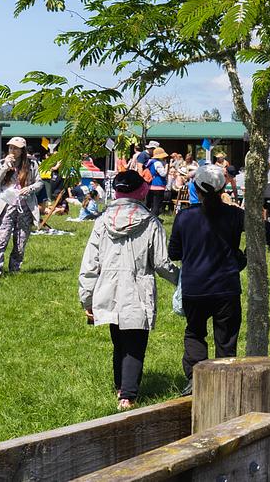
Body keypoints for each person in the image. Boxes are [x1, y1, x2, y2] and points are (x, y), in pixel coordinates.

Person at [78, 170, 178, 410]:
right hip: (138, 290)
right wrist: (183, 279)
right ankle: (128, 395)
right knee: (135, 343)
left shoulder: (102, 221)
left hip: (108, 289)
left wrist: (87, 298)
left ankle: (121, 387)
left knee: (120, 341)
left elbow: (90, 264)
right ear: (141, 191)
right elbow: (162, 263)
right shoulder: (151, 222)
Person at [168, 164, 246, 391]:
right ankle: (225, 382)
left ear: (197, 189)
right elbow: (265, 231)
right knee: (226, 339)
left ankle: (195, 377)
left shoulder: (184, 217)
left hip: (195, 286)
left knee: (195, 331)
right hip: (226, 286)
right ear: (223, 188)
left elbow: (174, 253)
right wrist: (241, 258)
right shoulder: (235, 215)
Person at [0, 137, 41, 274]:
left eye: (16, 148)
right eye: (11, 147)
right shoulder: (1, 163)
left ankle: (15, 269)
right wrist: (5, 166)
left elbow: (39, 183)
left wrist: (29, 188)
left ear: (22, 150)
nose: (12, 150)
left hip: (25, 206)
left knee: (21, 239)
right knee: (1, 238)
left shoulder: (32, 164)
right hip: (5, 205)